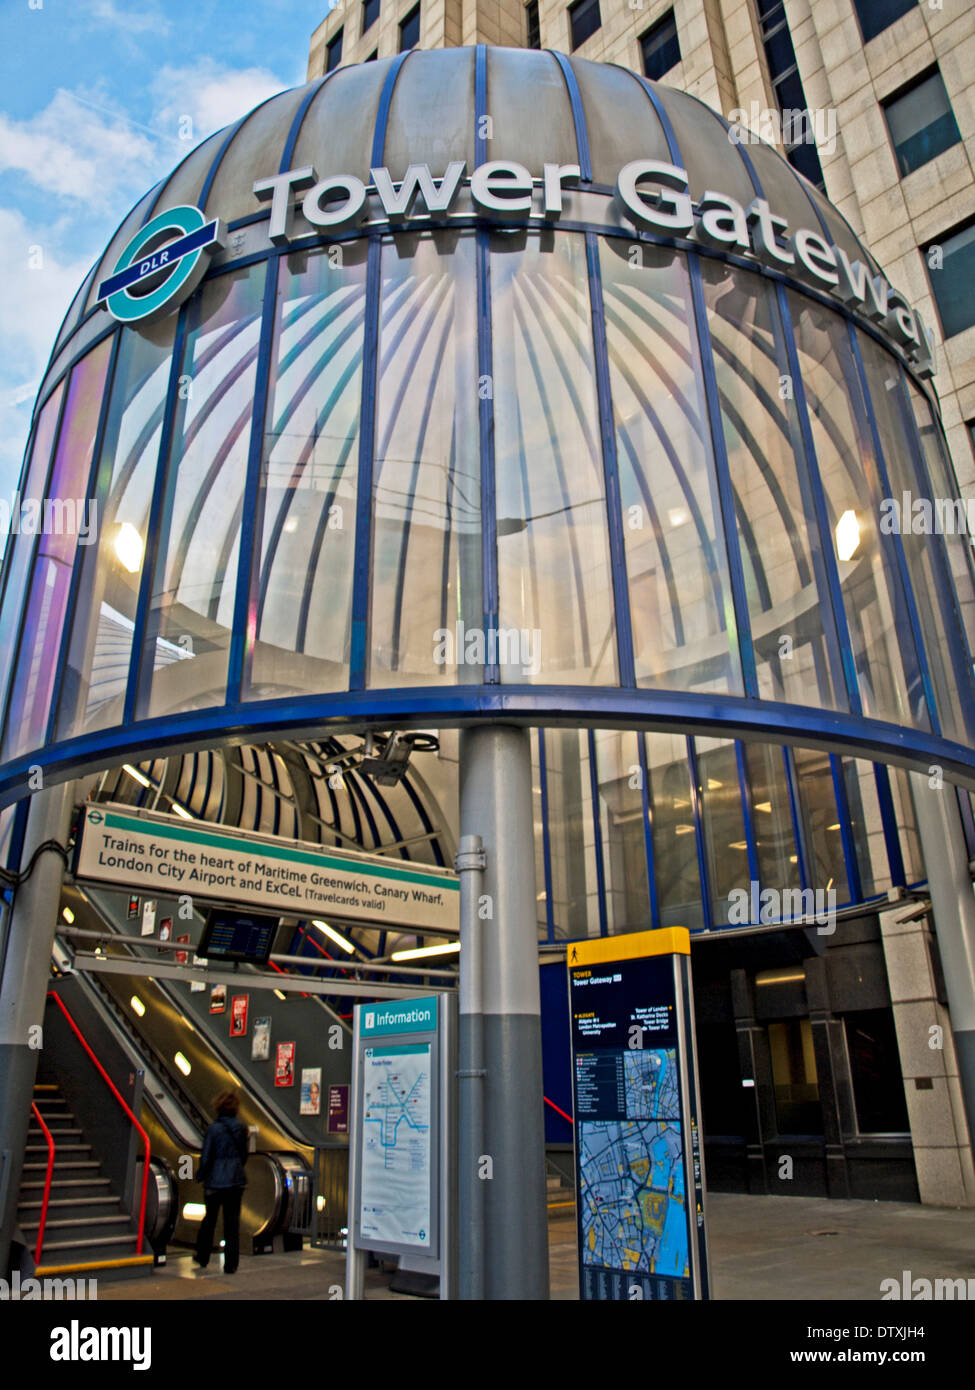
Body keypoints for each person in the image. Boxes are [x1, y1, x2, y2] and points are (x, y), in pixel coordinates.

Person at [194, 1089, 248, 1274]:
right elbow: (243, 1155)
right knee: (232, 1223)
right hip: (235, 1181)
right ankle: (231, 1264)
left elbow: (206, 1156)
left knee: (209, 1220)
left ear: (218, 1107)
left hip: (215, 1182)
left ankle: (202, 1256)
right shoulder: (241, 1128)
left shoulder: (213, 1129)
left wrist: (201, 1174)